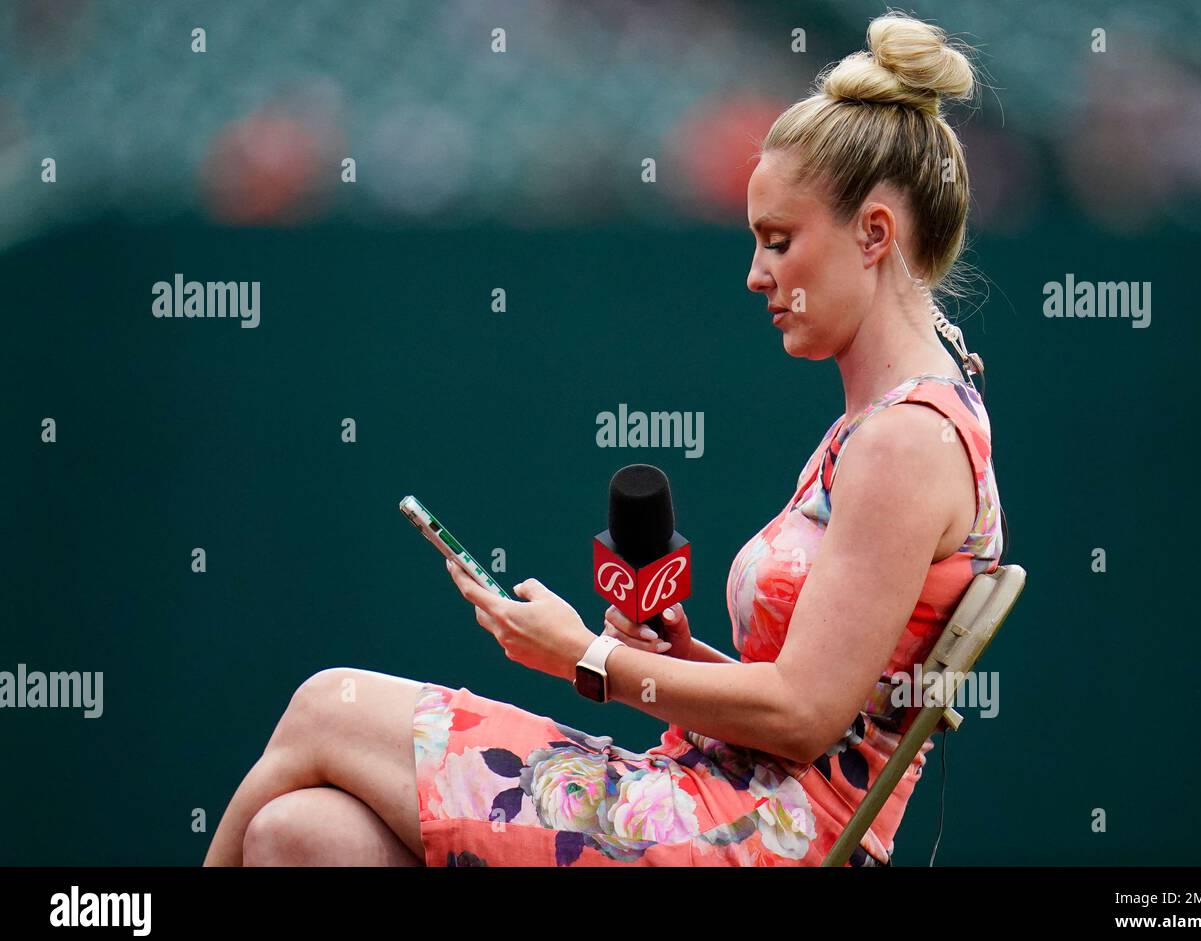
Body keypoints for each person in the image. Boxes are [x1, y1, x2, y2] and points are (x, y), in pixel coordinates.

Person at [203, 10, 1005, 868]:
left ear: (874, 234)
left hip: (754, 837)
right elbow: (813, 703)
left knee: (329, 704)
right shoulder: (892, 421)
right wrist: (671, 658)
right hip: (729, 804)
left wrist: (586, 658)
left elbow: (805, 716)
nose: (756, 274)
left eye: (779, 241)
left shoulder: (906, 440)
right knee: (301, 839)